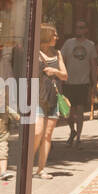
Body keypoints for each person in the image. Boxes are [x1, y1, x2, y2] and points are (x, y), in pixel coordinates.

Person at [32, 24, 66, 178]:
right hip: (37, 97)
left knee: (48, 135)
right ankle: (26, 164)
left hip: (53, 97)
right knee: (38, 132)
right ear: (46, 35)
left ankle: (40, 169)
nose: (57, 38)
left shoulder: (58, 54)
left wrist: (55, 71)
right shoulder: (35, 53)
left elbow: (65, 76)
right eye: (54, 35)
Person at [61, 20, 97, 146]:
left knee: (80, 111)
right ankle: (72, 131)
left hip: (83, 83)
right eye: (76, 27)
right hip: (69, 82)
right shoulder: (68, 43)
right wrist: (60, 79)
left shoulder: (90, 45)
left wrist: (94, 83)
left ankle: (78, 138)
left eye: (81, 27)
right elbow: (62, 61)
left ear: (86, 30)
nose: (78, 30)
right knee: (68, 113)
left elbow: (93, 65)